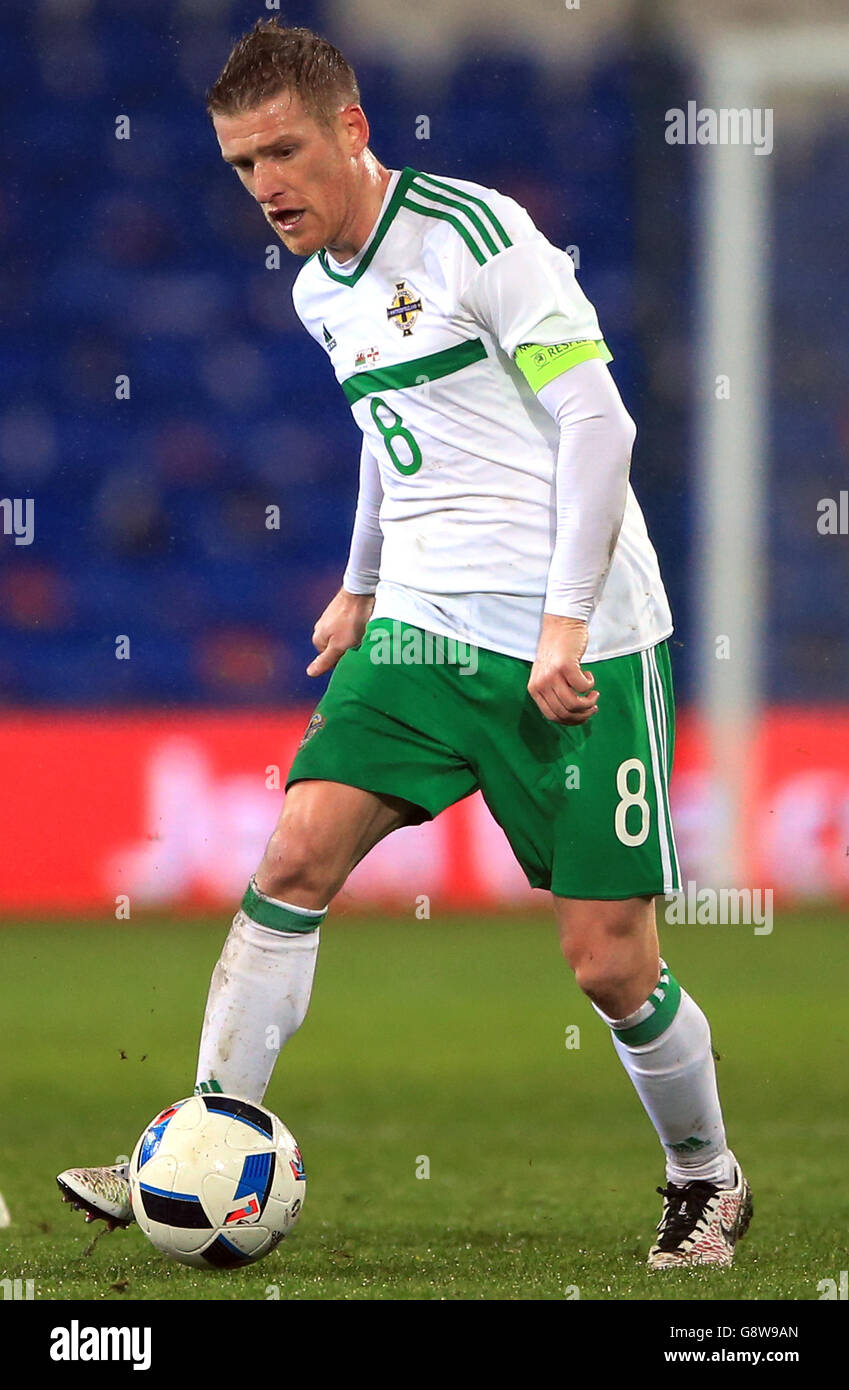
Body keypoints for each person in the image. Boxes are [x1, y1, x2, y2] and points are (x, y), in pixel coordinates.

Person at [58, 19, 751, 1270]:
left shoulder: (479, 240)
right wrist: (363, 584)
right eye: (239, 164)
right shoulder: (318, 286)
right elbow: (394, 431)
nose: (266, 185)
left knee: (608, 963)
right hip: (424, 630)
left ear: (352, 129)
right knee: (297, 849)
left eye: (281, 151)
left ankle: (707, 1174)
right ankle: (206, 1138)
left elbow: (600, 424)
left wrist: (565, 621)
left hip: (576, 646)